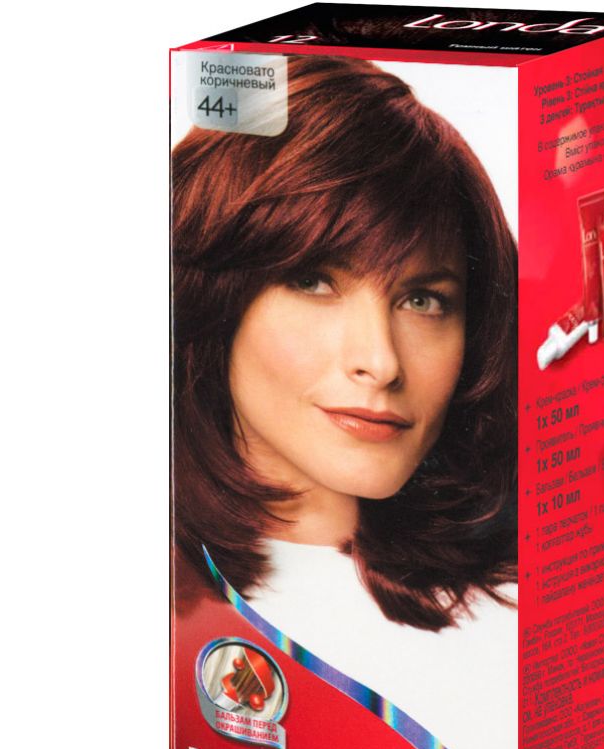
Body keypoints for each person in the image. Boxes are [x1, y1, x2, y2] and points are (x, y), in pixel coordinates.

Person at [172, 55, 518, 632]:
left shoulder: (510, 611)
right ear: (214, 297)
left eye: (423, 301)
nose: (380, 363)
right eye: (314, 282)